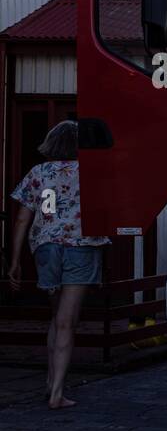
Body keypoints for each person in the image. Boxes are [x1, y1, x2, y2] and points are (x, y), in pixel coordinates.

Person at [6, 121, 110, 410]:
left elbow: (22, 220)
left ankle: (51, 382)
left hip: (46, 248)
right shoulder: (90, 174)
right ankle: (57, 394)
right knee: (67, 322)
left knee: (56, 318)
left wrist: (14, 260)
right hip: (81, 246)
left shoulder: (37, 173)